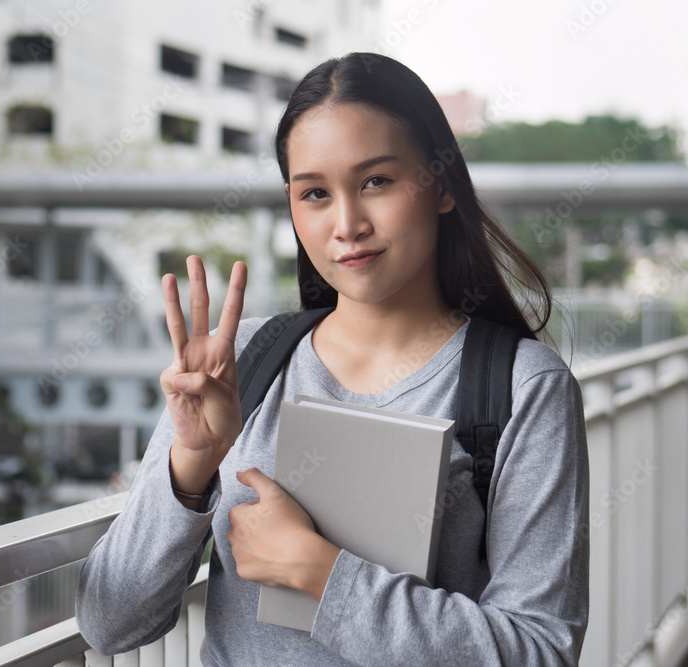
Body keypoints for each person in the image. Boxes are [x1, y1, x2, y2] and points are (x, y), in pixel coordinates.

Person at [75, 52, 589, 665]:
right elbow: (106, 626)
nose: (347, 224)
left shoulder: (523, 387)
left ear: (442, 185)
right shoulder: (245, 363)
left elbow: (542, 649)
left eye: (376, 181)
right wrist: (191, 463)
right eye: (315, 193)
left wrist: (322, 576)